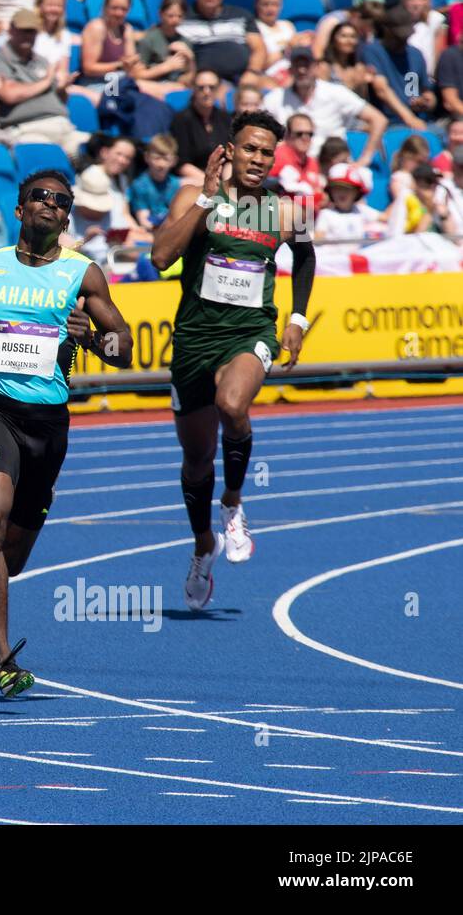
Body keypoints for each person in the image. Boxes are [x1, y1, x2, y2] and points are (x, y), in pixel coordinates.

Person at [0, 168, 133, 695]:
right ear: (19, 210)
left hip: (48, 427)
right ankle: (2, 658)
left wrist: (93, 341)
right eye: (40, 197)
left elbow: (123, 347)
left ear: (68, 217)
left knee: (11, 561)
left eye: (62, 202)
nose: (50, 206)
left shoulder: (83, 275)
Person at [150, 111, 316, 610]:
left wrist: (298, 319)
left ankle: (234, 502)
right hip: (194, 341)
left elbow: (307, 258)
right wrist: (203, 198)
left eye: (267, 152)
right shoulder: (194, 197)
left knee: (233, 404)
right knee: (198, 460)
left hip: (251, 332)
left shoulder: (289, 209)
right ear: (229, 150)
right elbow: (161, 257)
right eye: (250, 149)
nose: (259, 160)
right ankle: (203, 545)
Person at [0, 7, 88, 151]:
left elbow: (59, 101)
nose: (27, 36)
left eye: (32, 31)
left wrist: (63, 89)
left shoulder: (41, 61)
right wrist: (46, 82)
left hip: (63, 127)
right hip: (28, 129)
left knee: (103, 150)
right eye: (23, 31)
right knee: (47, 157)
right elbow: (9, 94)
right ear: (11, 30)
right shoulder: (0, 58)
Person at [178, 0, 269, 90]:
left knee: (272, 89)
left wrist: (252, 72)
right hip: (204, 82)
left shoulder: (241, 15)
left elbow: (259, 48)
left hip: (243, 76)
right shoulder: (182, 19)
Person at [357, 9, 436, 131]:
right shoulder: (373, 51)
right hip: (390, 121)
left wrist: (426, 101)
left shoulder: (415, 54)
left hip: (420, 119)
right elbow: (381, 89)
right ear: (387, 30)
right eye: (398, 36)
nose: (403, 40)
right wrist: (409, 118)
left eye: (406, 35)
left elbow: (425, 91)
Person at [171, 68, 232, 180]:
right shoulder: (181, 120)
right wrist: (211, 182)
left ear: (219, 89)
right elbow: (181, 164)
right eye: (201, 88)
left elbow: (230, 159)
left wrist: (227, 184)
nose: (207, 92)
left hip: (222, 179)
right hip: (194, 179)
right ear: (193, 89)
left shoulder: (225, 118)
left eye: (211, 87)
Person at [136, 0, 195, 90]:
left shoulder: (185, 42)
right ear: (160, 14)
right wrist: (167, 67)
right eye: (170, 16)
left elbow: (188, 78)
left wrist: (190, 58)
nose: (175, 20)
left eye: (179, 16)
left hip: (177, 86)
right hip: (154, 86)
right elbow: (138, 75)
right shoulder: (149, 40)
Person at [269, 113, 322, 212]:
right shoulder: (278, 157)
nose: (305, 138)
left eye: (309, 134)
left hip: (308, 220)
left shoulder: (312, 162)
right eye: (299, 134)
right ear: (287, 135)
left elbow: (317, 196)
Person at [129, 133, 181, 229]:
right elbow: (144, 222)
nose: (161, 164)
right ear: (147, 157)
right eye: (156, 158)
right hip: (152, 233)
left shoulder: (176, 184)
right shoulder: (139, 185)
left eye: (166, 159)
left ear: (174, 161)